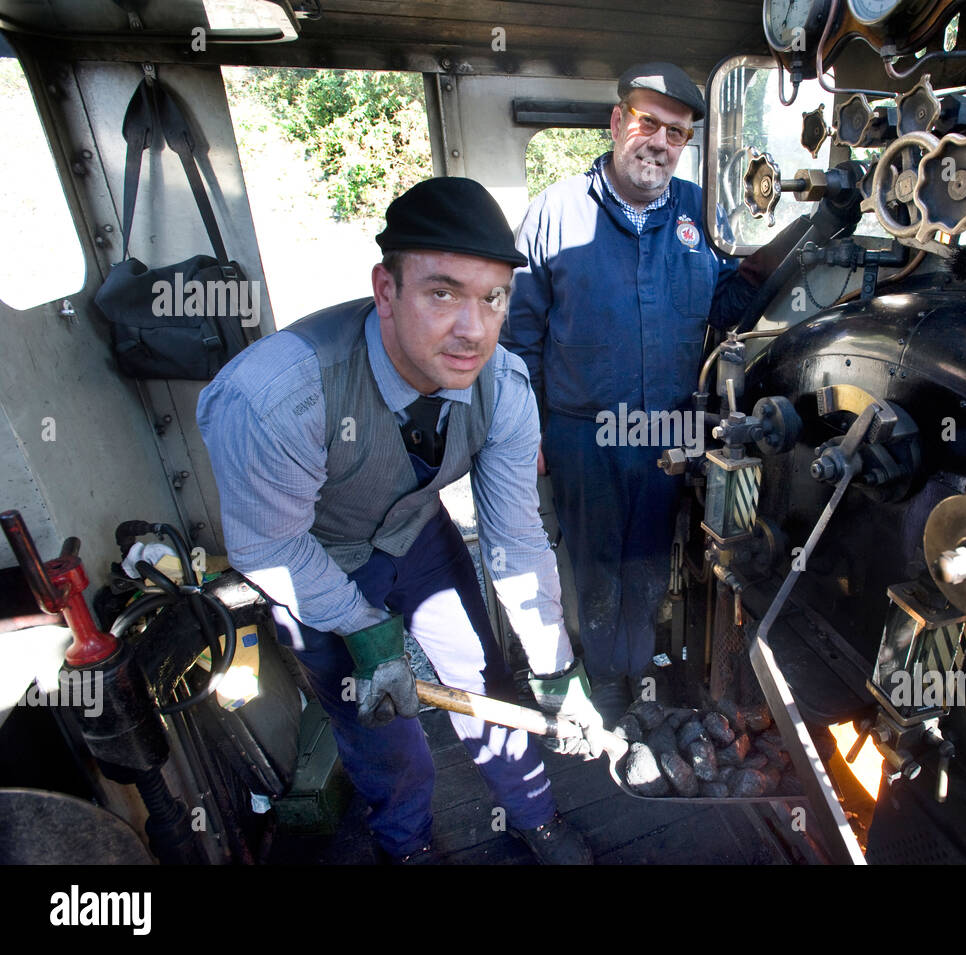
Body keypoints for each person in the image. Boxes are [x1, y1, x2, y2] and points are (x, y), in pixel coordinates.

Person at [197, 178, 600, 865]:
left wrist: (557, 669)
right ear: (386, 289)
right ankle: (406, 844)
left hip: (417, 536)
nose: (473, 328)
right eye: (443, 292)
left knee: (481, 674)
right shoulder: (276, 397)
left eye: (493, 297)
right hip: (313, 562)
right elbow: (270, 545)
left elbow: (515, 541)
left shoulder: (503, 388)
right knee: (378, 721)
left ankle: (535, 813)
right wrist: (362, 626)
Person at [504, 63, 768, 721]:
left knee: (650, 559)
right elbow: (516, 336)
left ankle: (639, 662)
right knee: (594, 566)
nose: (660, 142)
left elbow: (731, 301)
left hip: (667, 433)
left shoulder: (700, 213)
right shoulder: (554, 212)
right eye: (648, 122)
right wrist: (529, 430)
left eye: (676, 132)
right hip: (580, 431)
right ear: (617, 122)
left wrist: (789, 242)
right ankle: (608, 679)